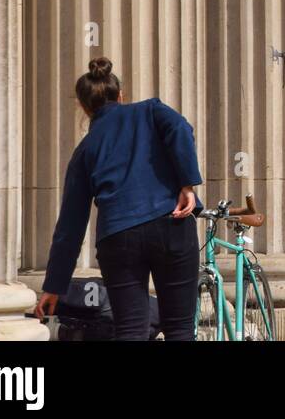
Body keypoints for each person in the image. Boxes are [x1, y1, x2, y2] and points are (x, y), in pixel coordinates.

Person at [34, 57, 204, 340]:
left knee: (130, 330)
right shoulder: (151, 110)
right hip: (171, 223)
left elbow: (70, 226)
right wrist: (187, 184)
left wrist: (54, 285)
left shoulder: (85, 150)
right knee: (179, 329)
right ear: (121, 95)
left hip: (118, 237)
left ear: (83, 107)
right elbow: (180, 129)